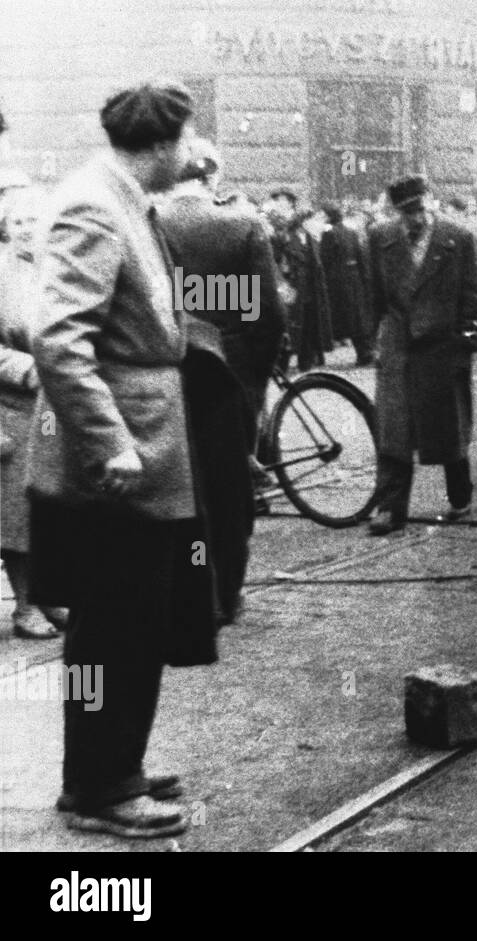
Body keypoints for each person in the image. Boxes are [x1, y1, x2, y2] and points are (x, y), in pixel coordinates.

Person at [26, 80, 239, 839]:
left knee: (133, 622)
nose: (190, 153)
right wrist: (109, 439)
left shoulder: (123, 195)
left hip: (146, 447)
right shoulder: (94, 204)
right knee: (116, 625)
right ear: (159, 143)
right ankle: (100, 787)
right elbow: (59, 340)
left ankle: (108, 767)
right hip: (119, 460)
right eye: (184, 141)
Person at [366, 176, 477, 535]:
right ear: (396, 212)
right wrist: (374, 340)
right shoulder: (380, 237)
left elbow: (472, 294)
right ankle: (390, 507)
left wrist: (468, 336)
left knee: (449, 427)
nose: (415, 218)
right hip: (399, 345)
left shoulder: (457, 238)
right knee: (394, 430)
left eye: (419, 208)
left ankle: (459, 496)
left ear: (431, 201)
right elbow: (373, 296)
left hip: (443, 346)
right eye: (406, 212)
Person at [156, 138, 286, 454]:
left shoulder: (153, 222)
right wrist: (260, 362)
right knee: (238, 454)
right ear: (212, 177)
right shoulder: (243, 221)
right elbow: (268, 309)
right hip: (238, 357)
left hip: (179, 359)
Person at [1, 184, 70, 638]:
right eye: (19, 222)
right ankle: (25, 605)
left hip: (59, 406)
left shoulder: (60, 270)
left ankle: (51, 594)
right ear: (6, 229)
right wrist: (27, 368)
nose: (28, 230)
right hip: (12, 406)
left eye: (34, 221)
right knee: (17, 512)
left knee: (55, 505)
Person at [268, 189, 332, 369]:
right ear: (302, 223)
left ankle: (306, 360)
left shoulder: (312, 240)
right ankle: (283, 363)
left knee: (310, 326)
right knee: (290, 327)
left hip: (311, 289)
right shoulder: (286, 239)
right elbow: (276, 263)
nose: (314, 223)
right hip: (292, 289)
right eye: (310, 220)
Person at [319, 202, 375, 366]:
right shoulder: (351, 232)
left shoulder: (329, 233)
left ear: (329, 217)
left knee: (347, 318)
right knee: (358, 317)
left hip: (338, 280)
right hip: (354, 277)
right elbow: (360, 255)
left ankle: (364, 352)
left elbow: (325, 259)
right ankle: (365, 351)